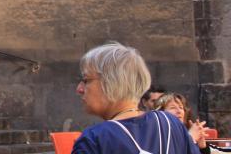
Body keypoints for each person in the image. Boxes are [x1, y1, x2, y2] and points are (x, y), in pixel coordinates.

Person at [71, 43, 200, 154]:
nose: (79, 89)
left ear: (112, 82)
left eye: (86, 80)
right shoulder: (170, 122)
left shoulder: (94, 140)